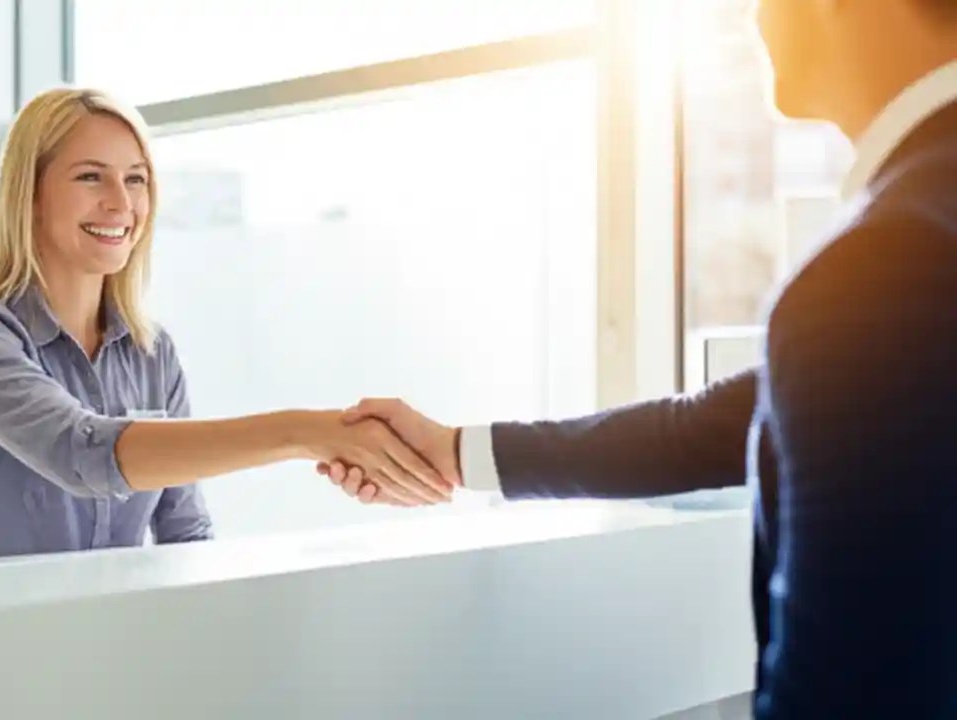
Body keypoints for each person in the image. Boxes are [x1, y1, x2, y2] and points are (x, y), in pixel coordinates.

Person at [324, 1, 957, 716]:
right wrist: (457, 452)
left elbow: (854, 688)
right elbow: (716, 425)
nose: (756, 17)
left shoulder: (884, 263)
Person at [0, 87, 452, 561]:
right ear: (31, 196)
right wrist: (304, 433)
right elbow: (80, 454)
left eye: (136, 179)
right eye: (91, 176)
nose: (121, 202)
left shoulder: (152, 353)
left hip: (115, 645)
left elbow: (185, 530)